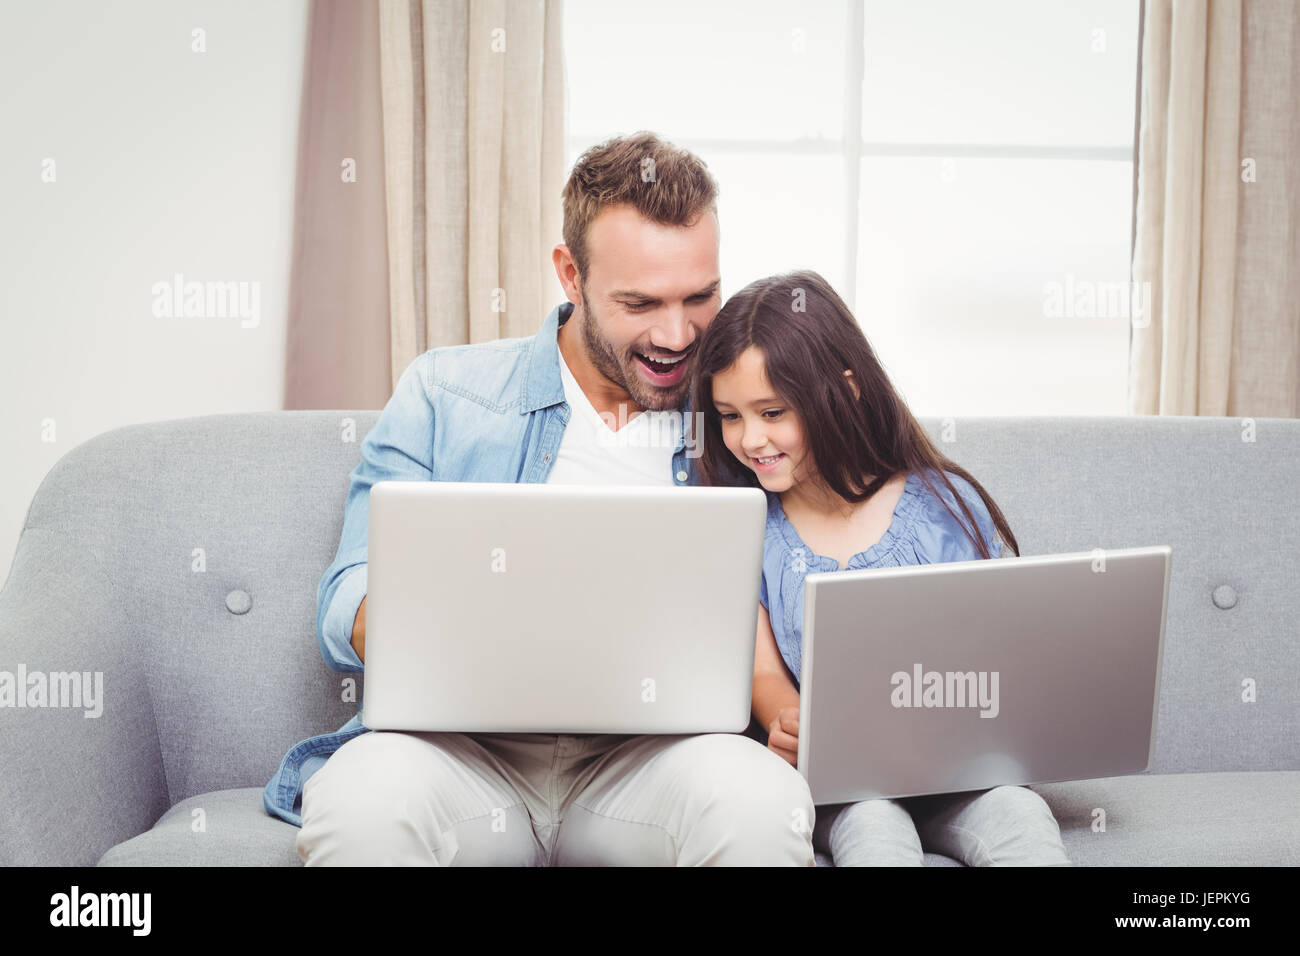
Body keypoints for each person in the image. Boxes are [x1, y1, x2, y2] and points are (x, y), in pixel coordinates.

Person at [262, 131, 815, 866]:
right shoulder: (445, 393)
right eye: (641, 302)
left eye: (700, 297)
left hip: (652, 767)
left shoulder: (745, 415)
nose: (677, 334)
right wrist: (436, 628)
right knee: (362, 803)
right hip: (459, 758)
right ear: (570, 275)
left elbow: (822, 549)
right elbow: (344, 600)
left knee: (762, 804)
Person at [692, 269, 1072, 866]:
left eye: (772, 411)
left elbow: (998, 653)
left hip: (954, 774)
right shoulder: (749, 527)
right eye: (730, 415)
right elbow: (764, 674)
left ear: (844, 391)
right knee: (873, 825)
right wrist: (789, 720)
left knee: (1021, 815)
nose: (750, 438)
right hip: (841, 785)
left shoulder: (942, 506)